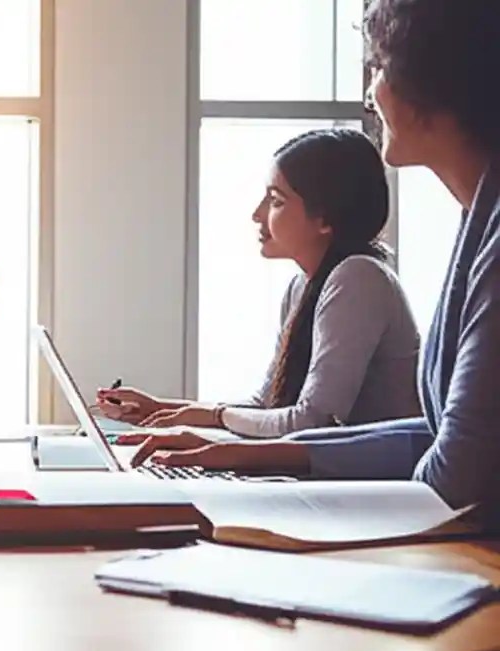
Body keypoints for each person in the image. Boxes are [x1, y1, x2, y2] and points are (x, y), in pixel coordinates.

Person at [123, 0, 500, 523]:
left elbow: (454, 476)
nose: (372, 89)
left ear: (429, 95)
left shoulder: (372, 273)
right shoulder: (476, 219)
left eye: (383, 68)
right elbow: (435, 436)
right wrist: (241, 452)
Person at [98, 129, 421, 438]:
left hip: (370, 487)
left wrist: (216, 417)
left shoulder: (358, 279)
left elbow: (312, 422)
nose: (257, 214)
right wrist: (160, 410)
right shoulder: (302, 287)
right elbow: (265, 407)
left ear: (324, 218)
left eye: (276, 201)